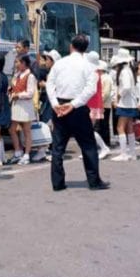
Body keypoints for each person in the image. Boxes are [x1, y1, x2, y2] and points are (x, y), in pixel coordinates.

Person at [45, 33, 109, 191]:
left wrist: (55, 104)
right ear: (86, 49)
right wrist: (73, 105)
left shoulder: (59, 64)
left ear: (71, 46)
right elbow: (91, 90)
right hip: (78, 108)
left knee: (58, 147)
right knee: (88, 145)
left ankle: (58, 183)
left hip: (59, 106)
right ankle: (94, 181)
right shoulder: (89, 66)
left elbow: (49, 84)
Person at [109, 50, 139, 161]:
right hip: (130, 102)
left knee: (120, 127)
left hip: (125, 103)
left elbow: (126, 87)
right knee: (129, 127)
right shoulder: (129, 70)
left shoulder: (124, 71)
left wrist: (118, 96)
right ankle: (132, 153)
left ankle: (124, 154)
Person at [8, 53, 38, 165]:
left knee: (26, 131)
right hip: (16, 105)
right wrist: (11, 91)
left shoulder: (30, 76)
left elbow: (30, 93)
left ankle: (26, 154)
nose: (15, 64)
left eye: (17, 62)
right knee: (12, 129)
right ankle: (18, 152)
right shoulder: (17, 74)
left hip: (25, 106)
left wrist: (18, 95)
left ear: (24, 63)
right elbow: (13, 87)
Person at [85, 54, 112, 159]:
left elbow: (90, 90)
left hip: (93, 104)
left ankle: (103, 147)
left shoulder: (94, 74)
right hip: (93, 104)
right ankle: (90, 150)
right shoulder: (96, 74)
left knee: (88, 129)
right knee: (88, 129)